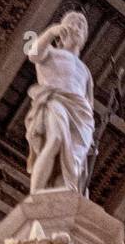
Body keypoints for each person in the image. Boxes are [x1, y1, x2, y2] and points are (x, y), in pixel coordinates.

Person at [24, 12, 95, 195]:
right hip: (55, 101)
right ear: (63, 30)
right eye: (73, 23)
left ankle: (61, 195)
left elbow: (88, 101)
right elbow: (33, 54)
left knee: (73, 162)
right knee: (55, 138)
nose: (77, 28)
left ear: (84, 38)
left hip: (81, 117)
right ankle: (36, 194)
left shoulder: (85, 71)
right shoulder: (51, 53)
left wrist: (92, 137)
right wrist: (50, 33)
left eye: (81, 26)